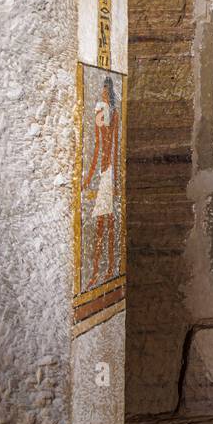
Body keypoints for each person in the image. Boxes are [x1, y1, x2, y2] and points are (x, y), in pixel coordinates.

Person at [82, 75, 120, 287]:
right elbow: (109, 150)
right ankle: (105, 270)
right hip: (109, 174)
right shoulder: (111, 114)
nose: (103, 94)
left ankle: (99, 272)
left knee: (103, 223)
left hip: (107, 175)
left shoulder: (107, 115)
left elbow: (101, 150)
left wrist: (88, 179)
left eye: (104, 91)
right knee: (108, 221)